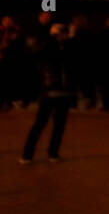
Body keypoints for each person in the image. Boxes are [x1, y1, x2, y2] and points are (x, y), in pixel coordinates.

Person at [19, 23, 76, 164]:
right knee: (43, 123)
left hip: (58, 90)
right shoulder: (51, 46)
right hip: (52, 89)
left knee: (54, 124)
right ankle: (32, 154)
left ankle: (48, 153)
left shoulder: (61, 46)